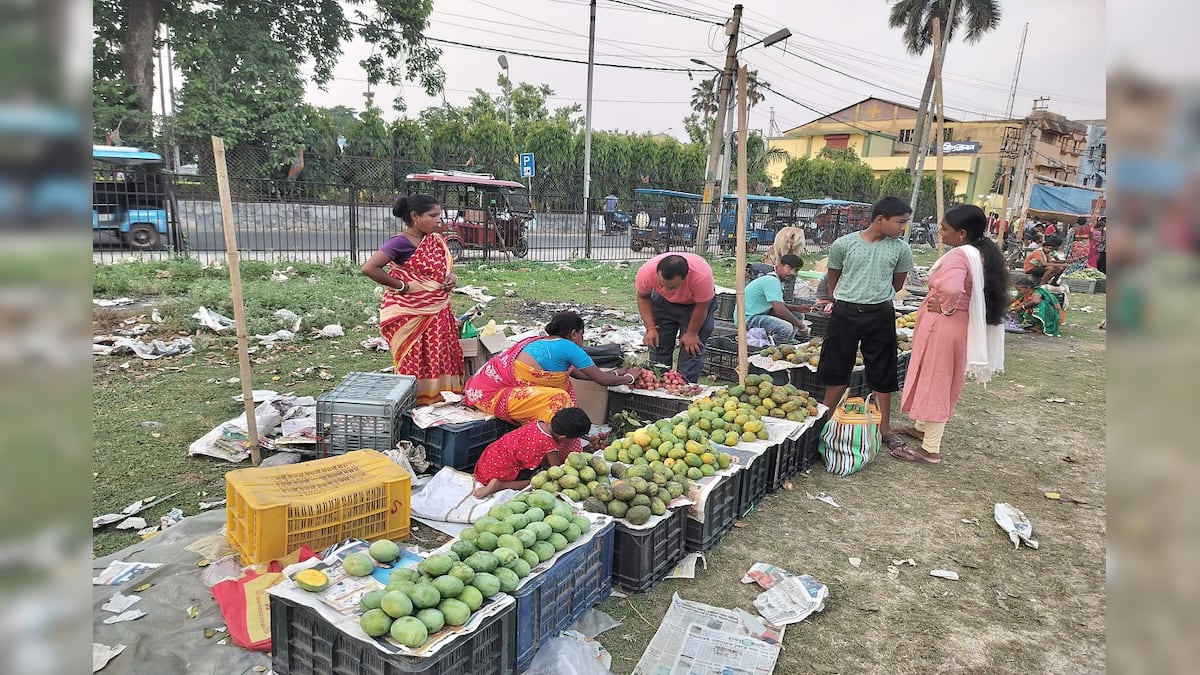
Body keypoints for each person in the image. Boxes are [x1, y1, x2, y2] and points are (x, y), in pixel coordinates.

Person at [893, 205, 1008, 464]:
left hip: (945, 327)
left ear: (962, 233)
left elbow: (954, 288)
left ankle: (930, 449)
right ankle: (922, 427)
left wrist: (945, 306)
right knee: (937, 374)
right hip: (958, 327)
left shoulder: (959, 256)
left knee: (937, 379)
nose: (940, 232)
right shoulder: (982, 253)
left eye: (945, 228)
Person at [816, 196, 915, 456]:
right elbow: (833, 277)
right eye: (900, 222)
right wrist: (842, 297)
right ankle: (824, 419)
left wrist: (874, 296)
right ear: (880, 219)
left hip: (880, 313)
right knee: (837, 366)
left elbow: (897, 283)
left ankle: (885, 429)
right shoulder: (844, 244)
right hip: (845, 312)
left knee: (883, 370)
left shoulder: (900, 249)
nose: (902, 227)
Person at [362, 194, 463, 406]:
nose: (439, 220)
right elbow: (369, 268)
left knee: (441, 356)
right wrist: (402, 286)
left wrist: (452, 279)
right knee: (416, 358)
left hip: (439, 313)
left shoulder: (436, 240)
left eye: (439, 215)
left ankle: (442, 400)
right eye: (433, 215)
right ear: (415, 216)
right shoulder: (400, 243)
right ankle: (415, 403)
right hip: (411, 315)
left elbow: (446, 271)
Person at [463, 311, 641, 425]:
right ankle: (551, 444)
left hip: (479, 390)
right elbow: (602, 380)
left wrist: (616, 373)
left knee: (562, 389)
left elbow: (577, 373)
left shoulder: (538, 340)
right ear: (574, 334)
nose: (582, 340)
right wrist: (629, 377)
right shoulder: (569, 347)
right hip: (494, 397)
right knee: (559, 398)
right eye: (582, 335)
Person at [473, 407, 591, 498]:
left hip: (489, 460)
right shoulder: (549, 444)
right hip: (499, 472)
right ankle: (500, 486)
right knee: (536, 482)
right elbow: (557, 469)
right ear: (563, 438)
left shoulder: (538, 423)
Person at [636, 252, 717, 383]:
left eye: (671, 286)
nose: (666, 290)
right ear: (657, 273)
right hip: (662, 304)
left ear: (685, 278)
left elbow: (702, 307)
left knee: (691, 349)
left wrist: (692, 333)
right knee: (658, 345)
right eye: (661, 284)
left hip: (695, 307)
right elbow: (643, 297)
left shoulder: (701, 277)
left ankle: (684, 391)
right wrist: (650, 328)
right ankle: (657, 386)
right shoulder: (646, 272)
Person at [744, 253, 811, 344]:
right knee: (785, 328)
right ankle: (772, 347)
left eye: (796, 270)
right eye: (790, 268)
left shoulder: (777, 281)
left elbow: (780, 305)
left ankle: (788, 341)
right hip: (749, 319)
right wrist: (802, 327)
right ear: (779, 266)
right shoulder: (771, 281)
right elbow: (779, 310)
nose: (792, 273)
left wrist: (797, 308)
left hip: (761, 314)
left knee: (798, 315)